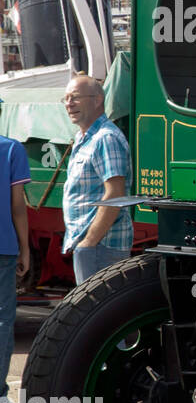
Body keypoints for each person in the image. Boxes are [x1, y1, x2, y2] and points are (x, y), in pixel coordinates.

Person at [62, 74, 133, 284]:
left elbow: (115, 194)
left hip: (101, 246)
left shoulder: (106, 138)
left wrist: (89, 242)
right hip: (92, 246)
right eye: (65, 98)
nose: (68, 104)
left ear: (97, 100)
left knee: (93, 312)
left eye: (75, 97)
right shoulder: (84, 138)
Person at [0, 129, 31, 403]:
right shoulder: (11, 149)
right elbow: (17, 205)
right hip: (3, 248)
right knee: (1, 323)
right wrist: (25, 248)